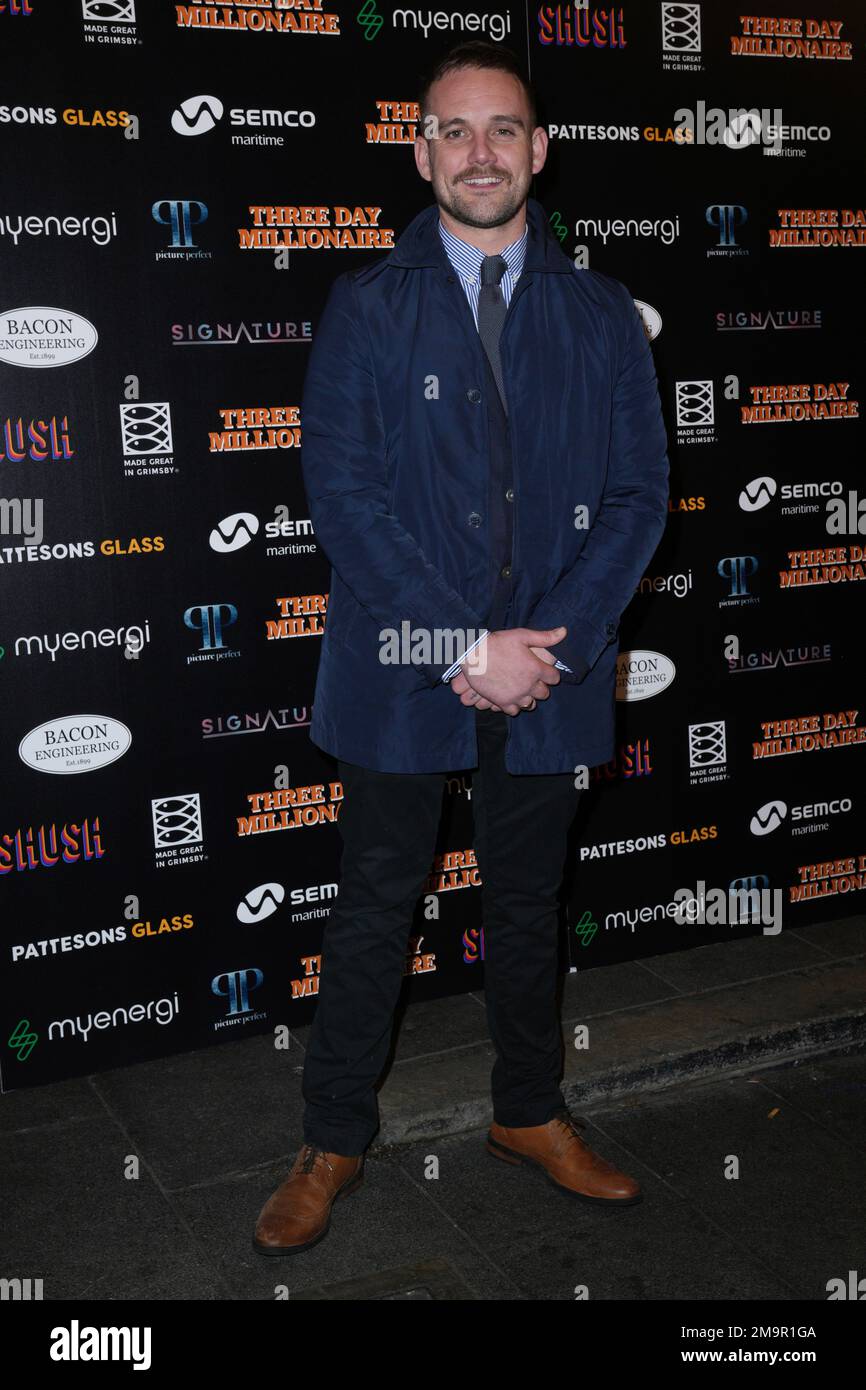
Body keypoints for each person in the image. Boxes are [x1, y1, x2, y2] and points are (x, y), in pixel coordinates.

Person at [253, 39, 669, 1257]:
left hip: (547, 666)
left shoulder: (598, 314)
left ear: (538, 151)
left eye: (503, 129)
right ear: (419, 147)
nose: (479, 151)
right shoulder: (367, 304)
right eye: (454, 129)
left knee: (529, 903)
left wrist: (552, 644)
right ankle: (332, 1137)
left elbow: (641, 494)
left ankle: (527, 1114)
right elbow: (342, 496)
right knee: (378, 901)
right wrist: (459, 642)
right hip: (400, 666)